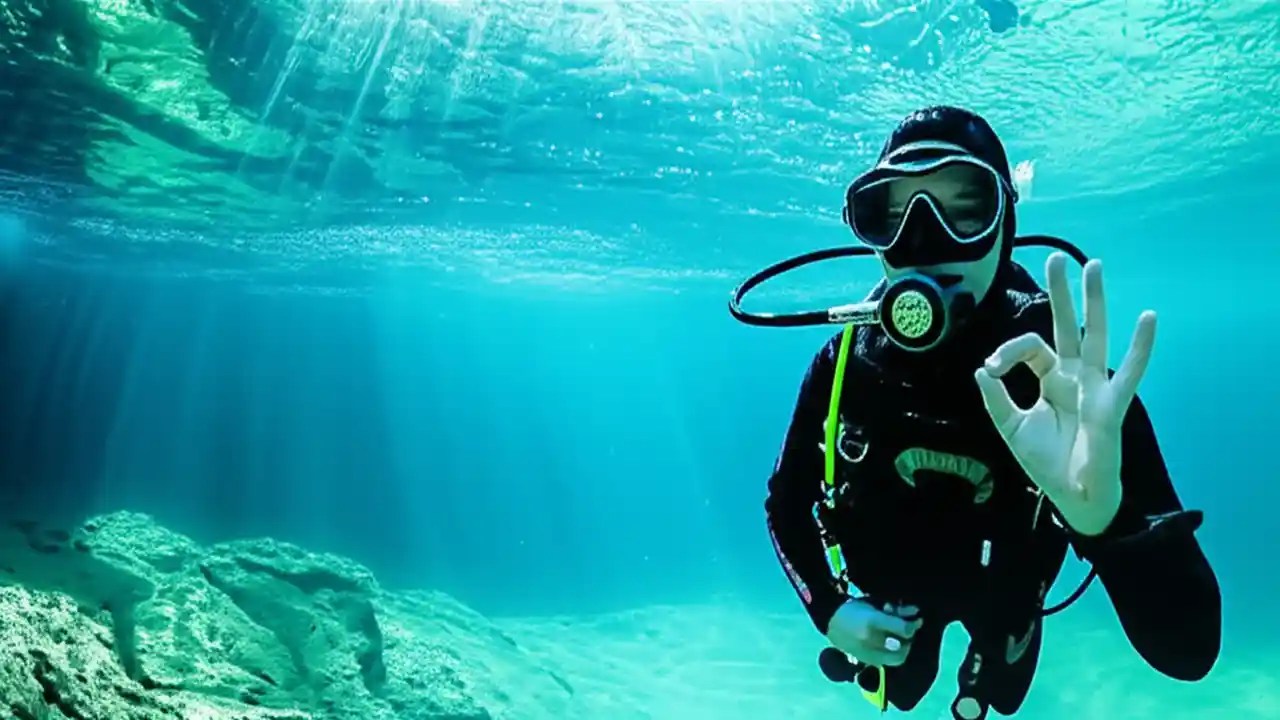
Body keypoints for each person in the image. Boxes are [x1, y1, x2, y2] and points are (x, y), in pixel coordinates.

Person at [759, 106, 1222, 719]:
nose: (923, 243)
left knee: (996, 699)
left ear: (1006, 222)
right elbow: (785, 501)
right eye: (891, 216)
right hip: (894, 608)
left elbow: (1189, 653)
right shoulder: (848, 362)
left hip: (1004, 604)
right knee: (901, 692)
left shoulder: (1067, 380)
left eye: (965, 208)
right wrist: (829, 609)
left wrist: (1105, 520)